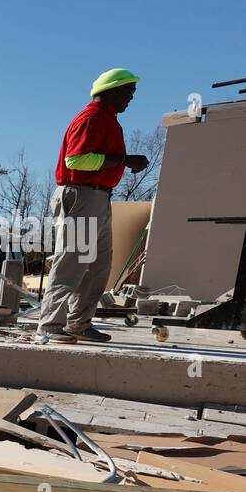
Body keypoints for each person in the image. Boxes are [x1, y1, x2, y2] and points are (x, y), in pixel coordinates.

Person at [38, 68, 148, 344]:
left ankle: (79, 323)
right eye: (128, 92)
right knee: (72, 262)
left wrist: (120, 161)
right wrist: (123, 160)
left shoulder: (108, 120)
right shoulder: (93, 118)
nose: (131, 98)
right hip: (81, 195)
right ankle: (50, 326)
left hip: (97, 196)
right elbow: (75, 161)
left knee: (98, 264)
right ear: (111, 90)